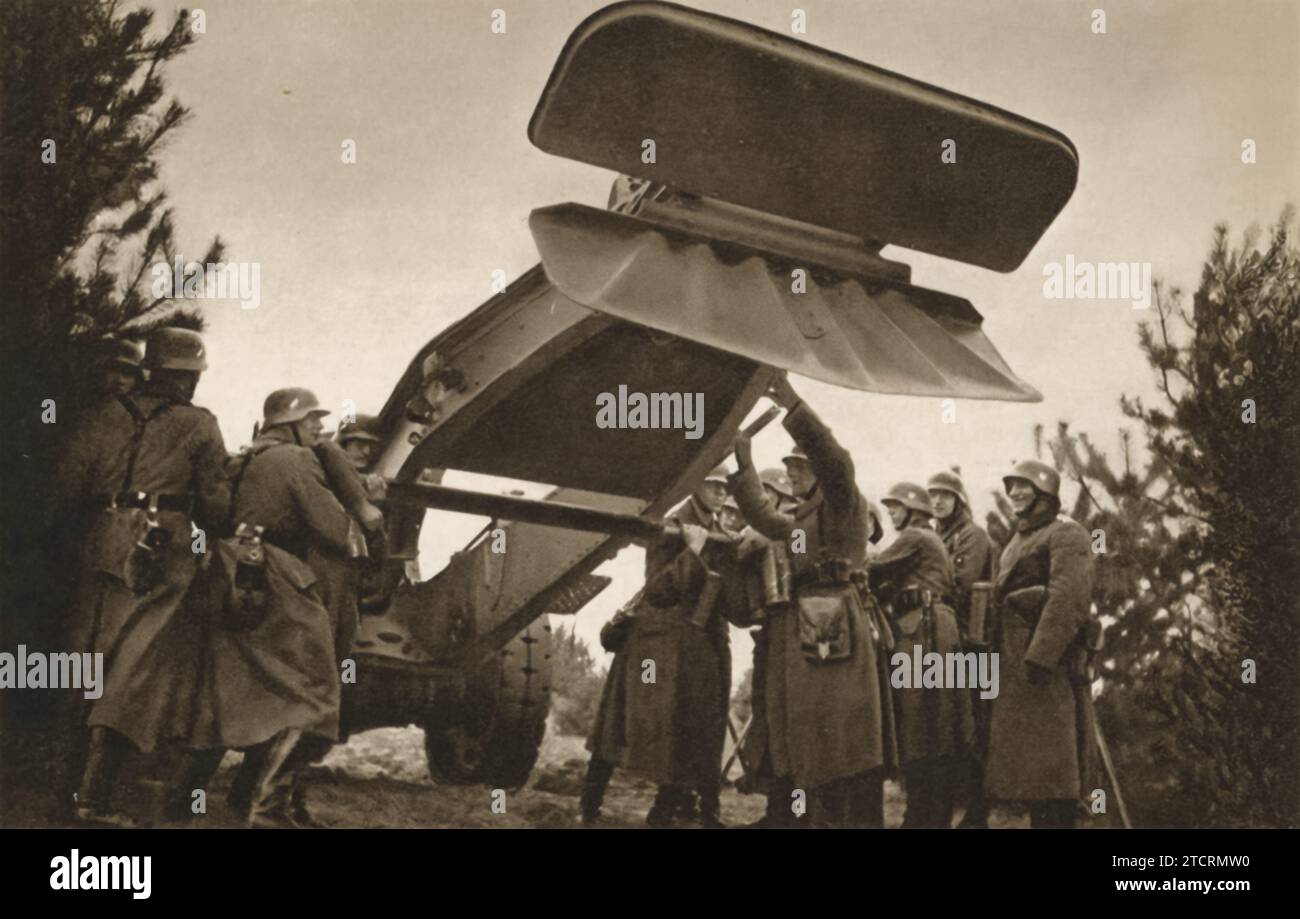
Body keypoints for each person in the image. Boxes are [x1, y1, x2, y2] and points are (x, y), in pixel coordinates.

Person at [53, 328, 230, 825]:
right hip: (162, 548)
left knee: (82, 662)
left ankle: (63, 795)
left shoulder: (102, 413)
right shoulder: (200, 424)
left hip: (101, 538)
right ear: (188, 377)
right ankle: (97, 799)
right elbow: (216, 510)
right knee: (134, 675)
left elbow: (67, 485)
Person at [169, 387, 362, 827]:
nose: (319, 426)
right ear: (288, 421)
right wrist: (366, 505)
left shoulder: (250, 457)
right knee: (314, 693)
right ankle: (267, 809)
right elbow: (338, 531)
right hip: (276, 580)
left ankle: (182, 804)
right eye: (312, 417)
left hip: (234, 572)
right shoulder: (294, 460)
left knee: (230, 693)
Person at [730, 374, 895, 827]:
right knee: (811, 735)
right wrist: (742, 463)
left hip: (835, 622)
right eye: (790, 467)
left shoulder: (842, 500)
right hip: (811, 626)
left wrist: (791, 404)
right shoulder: (802, 520)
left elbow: (835, 459)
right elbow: (764, 518)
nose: (793, 472)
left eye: (801, 466)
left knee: (840, 738)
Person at [583, 465, 738, 827]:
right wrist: (693, 552)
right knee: (618, 727)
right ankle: (589, 805)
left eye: (723, 487)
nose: (719, 493)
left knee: (690, 728)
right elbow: (658, 589)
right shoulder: (674, 523)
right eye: (713, 485)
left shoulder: (717, 528)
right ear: (698, 484)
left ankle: (663, 814)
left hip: (695, 642)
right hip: (657, 640)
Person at [985, 460, 1096, 829]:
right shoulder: (1018, 540)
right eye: (1011, 486)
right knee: (1034, 775)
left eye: (1024, 486)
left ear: (1045, 492)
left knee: (1055, 776)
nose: (1015, 492)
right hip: (1017, 666)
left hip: (1047, 671)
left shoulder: (1067, 533)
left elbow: (1068, 598)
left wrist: (1040, 657)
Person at [869, 482, 973, 828]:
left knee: (921, 726)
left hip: (923, 633)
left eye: (896, 506)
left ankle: (923, 819)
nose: (891, 512)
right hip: (933, 630)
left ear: (914, 510)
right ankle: (927, 817)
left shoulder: (915, 537)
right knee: (933, 729)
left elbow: (874, 567)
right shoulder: (927, 539)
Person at [927, 470, 995, 828]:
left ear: (959, 500)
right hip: (948, 642)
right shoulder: (939, 535)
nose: (937, 501)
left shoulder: (973, 536)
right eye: (932, 495)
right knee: (950, 728)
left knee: (975, 730)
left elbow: (960, 583)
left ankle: (979, 813)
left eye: (945, 495)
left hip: (975, 644)